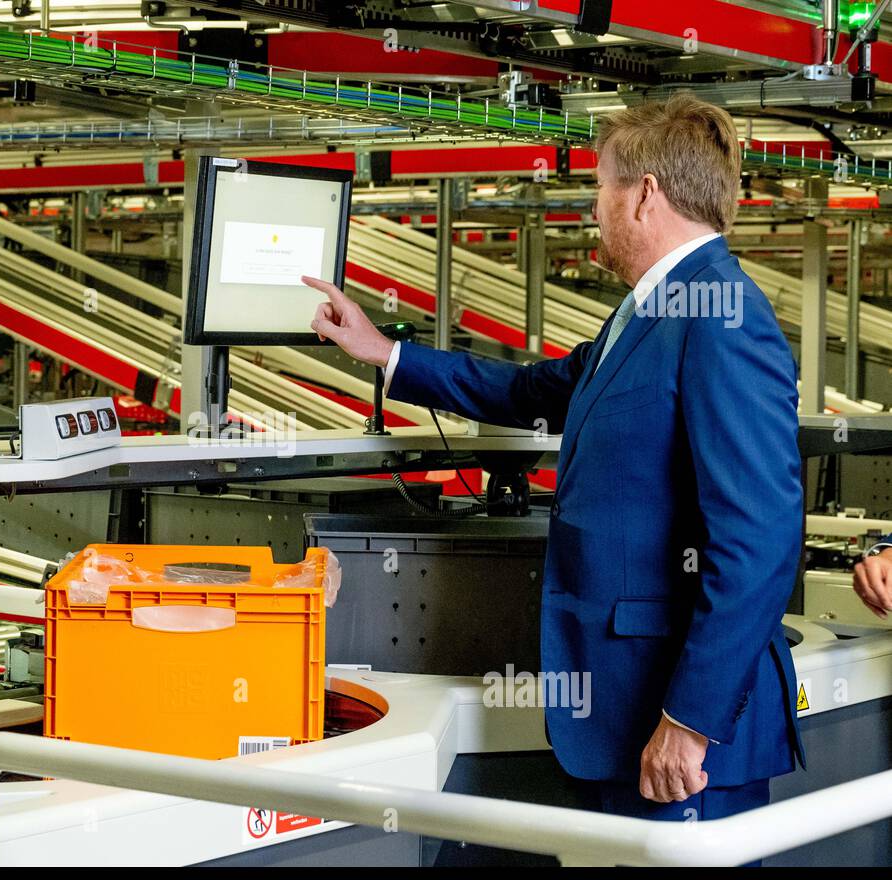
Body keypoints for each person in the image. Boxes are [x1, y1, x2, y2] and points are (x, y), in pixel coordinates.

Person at [301, 94, 805, 830]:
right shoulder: (652, 312)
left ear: (644, 196)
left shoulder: (721, 317)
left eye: (600, 188)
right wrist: (390, 356)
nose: (592, 209)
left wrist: (690, 720)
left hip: (685, 741)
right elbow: (537, 389)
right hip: (624, 714)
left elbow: (760, 537)